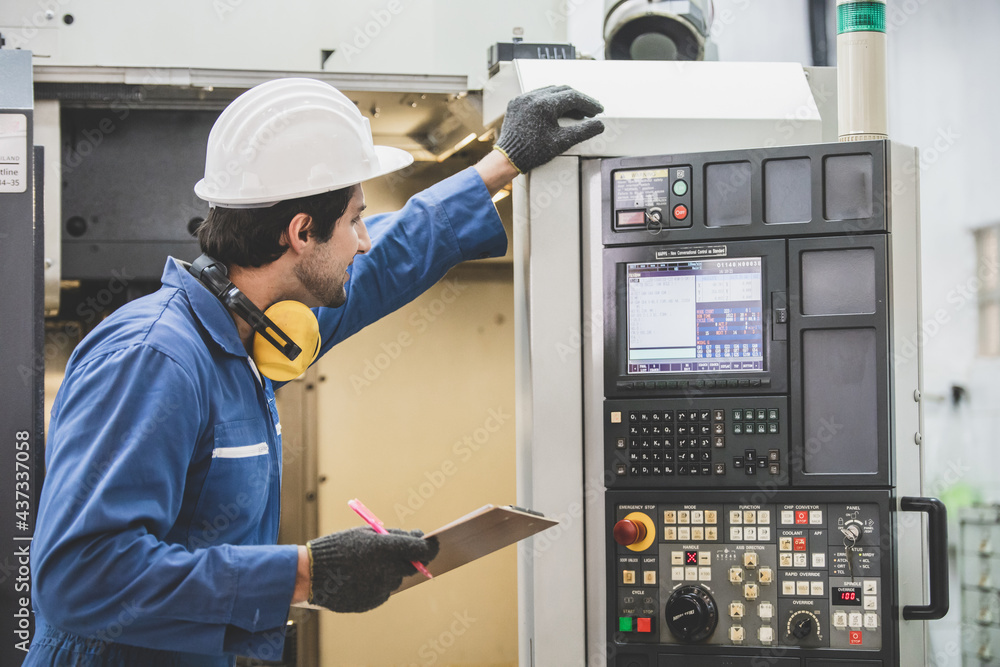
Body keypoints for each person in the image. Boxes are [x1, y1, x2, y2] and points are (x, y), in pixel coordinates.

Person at [23, 78, 604, 666]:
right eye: (355, 220)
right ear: (302, 232)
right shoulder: (155, 358)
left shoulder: (258, 330)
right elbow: (78, 576)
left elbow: (391, 259)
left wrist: (502, 165)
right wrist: (306, 573)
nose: (364, 241)